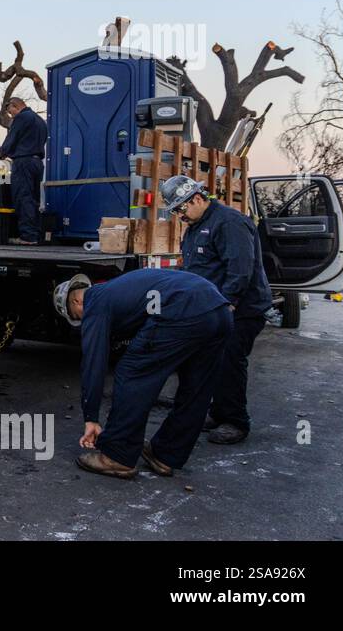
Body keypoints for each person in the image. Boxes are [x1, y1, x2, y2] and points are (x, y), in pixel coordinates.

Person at [54, 268, 231, 479]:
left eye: (77, 318)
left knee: (132, 374)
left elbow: (94, 362)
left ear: (76, 302)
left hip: (180, 310)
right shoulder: (117, 290)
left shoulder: (95, 302)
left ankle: (117, 455)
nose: (83, 322)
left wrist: (90, 417)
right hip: (219, 310)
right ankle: (166, 454)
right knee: (196, 387)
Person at [162, 175, 272, 446]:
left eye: (181, 208)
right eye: (175, 211)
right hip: (215, 308)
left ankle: (236, 421)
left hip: (239, 310)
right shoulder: (197, 225)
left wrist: (228, 306)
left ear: (197, 198)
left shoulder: (229, 222)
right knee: (212, 363)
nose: (180, 216)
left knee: (229, 363)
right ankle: (219, 412)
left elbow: (240, 270)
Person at [0, 97, 48, 245]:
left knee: (23, 197)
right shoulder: (40, 121)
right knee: (34, 199)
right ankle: (35, 234)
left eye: (10, 111)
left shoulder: (21, 117)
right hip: (37, 163)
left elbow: (11, 139)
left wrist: (1, 154)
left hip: (23, 162)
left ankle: (27, 236)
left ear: (15, 106)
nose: (11, 115)